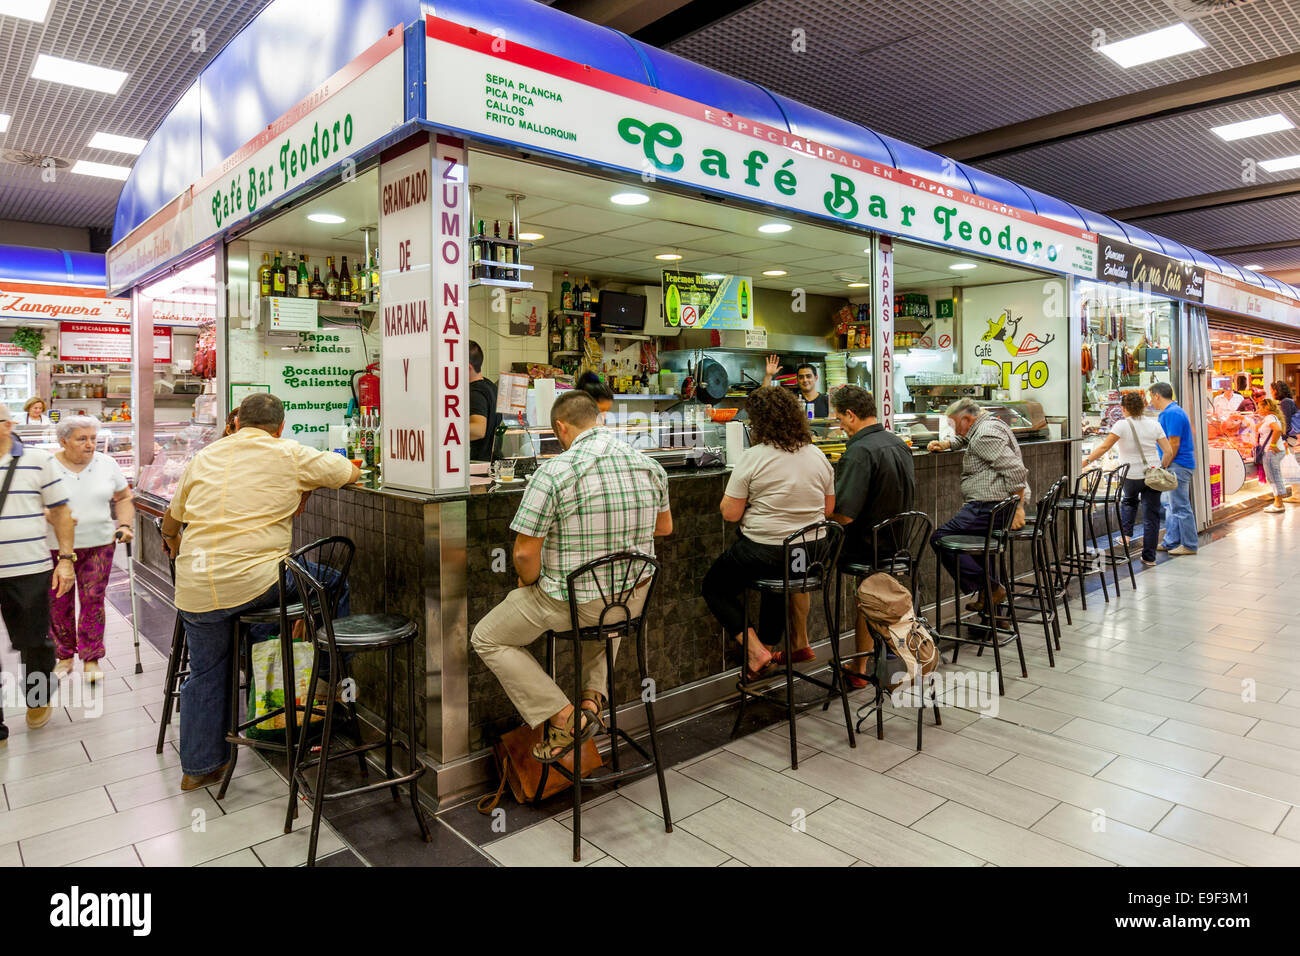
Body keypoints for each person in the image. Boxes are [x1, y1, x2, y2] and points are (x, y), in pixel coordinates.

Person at [160, 393, 359, 790]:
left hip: (196, 588)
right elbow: (347, 472)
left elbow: (172, 518)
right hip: (257, 583)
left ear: (235, 423)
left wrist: (172, 540)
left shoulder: (205, 457)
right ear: (280, 427)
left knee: (205, 670)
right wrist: (307, 487)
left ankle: (198, 768)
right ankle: (327, 679)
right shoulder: (288, 453)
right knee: (333, 583)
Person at [471, 391, 671, 762]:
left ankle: (566, 717)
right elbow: (664, 528)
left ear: (560, 428)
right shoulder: (649, 465)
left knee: (486, 638)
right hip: (631, 602)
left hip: (576, 604)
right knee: (608, 609)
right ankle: (592, 700)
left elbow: (524, 553)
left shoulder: (554, 472)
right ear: (599, 419)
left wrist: (527, 584)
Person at [702, 386, 834, 678]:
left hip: (767, 552)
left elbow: (730, 513)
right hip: (810, 553)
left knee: (714, 587)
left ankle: (757, 652)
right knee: (780, 575)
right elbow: (827, 509)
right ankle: (770, 647)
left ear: (758, 423)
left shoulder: (754, 456)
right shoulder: (816, 453)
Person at [828, 386, 915, 686]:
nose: (839, 426)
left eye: (839, 419)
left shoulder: (859, 452)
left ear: (851, 415)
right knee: (869, 592)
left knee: (801, 559)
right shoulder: (898, 442)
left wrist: (820, 516)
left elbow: (845, 515)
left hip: (867, 548)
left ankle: (860, 666)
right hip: (898, 543)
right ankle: (864, 664)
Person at [0, 403, 75, 739]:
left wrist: (65, 559)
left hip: (28, 567)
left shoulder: (37, 460)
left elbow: (60, 512)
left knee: (34, 641)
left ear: (7, 424)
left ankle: (38, 696)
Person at [45, 416, 134, 682]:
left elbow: (124, 496)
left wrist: (126, 524)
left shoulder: (107, 464)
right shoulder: (47, 466)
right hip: (57, 547)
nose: (90, 444)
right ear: (64, 441)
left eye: (93, 438)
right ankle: (64, 656)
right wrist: (48, 514)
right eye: (82, 439)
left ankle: (91, 658)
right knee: (58, 602)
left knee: (93, 599)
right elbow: (35, 502)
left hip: (99, 544)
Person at [926, 397, 1028, 608]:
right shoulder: (988, 425)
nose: (953, 430)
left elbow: (1016, 471)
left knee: (940, 538)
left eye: (954, 424)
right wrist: (948, 444)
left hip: (989, 507)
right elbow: (968, 438)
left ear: (967, 419)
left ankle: (990, 588)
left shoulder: (984, 435)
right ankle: (993, 616)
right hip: (994, 504)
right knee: (983, 552)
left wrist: (1019, 508)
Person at [1081, 393, 1173, 566]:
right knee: (1152, 516)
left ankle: (1126, 535)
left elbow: (1104, 446)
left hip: (1131, 475)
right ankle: (1149, 557)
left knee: (1129, 502)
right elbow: (1168, 451)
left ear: (1124, 408)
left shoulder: (1121, 425)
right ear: (1143, 406)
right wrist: (1161, 467)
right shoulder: (1154, 425)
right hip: (1152, 474)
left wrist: (1086, 461)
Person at [1148, 382, 1198, 556]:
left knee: (1180, 506)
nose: (1151, 401)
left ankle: (1190, 545)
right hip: (1176, 464)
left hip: (1178, 465)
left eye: (1151, 397)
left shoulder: (1172, 413)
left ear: (1157, 395)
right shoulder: (1170, 412)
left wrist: (1164, 463)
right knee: (1170, 505)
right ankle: (1171, 540)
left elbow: (1174, 443)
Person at [762, 355, 828, 418]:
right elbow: (763, 400)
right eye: (801, 377)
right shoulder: (791, 400)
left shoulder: (826, 401)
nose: (805, 380)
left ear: (816, 378)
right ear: (797, 380)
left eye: (808, 376)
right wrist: (769, 375)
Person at [467, 340, 500, 461]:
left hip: (477, 464)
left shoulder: (474, 393)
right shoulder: (490, 386)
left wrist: (444, 430)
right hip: (490, 462)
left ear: (468, 367)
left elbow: (479, 430)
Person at [1255, 397, 1287, 514]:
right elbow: (1256, 428)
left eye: (1259, 407)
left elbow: (1277, 430)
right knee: (1274, 476)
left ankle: (1279, 504)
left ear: (1266, 408)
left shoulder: (1269, 417)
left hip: (1271, 452)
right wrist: (1243, 418)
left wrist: (1272, 444)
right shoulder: (1271, 417)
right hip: (1275, 451)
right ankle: (1278, 503)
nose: (1258, 410)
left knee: (1273, 477)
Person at [1270, 381, 1300, 503]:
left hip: (1290, 437)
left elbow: (1285, 422)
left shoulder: (1285, 402)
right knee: (1292, 463)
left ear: (1276, 390)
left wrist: (1283, 439)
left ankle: (1297, 494)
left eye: (1272, 390)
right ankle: (1296, 493)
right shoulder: (1288, 401)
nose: (1271, 392)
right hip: (1293, 436)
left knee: (1292, 464)